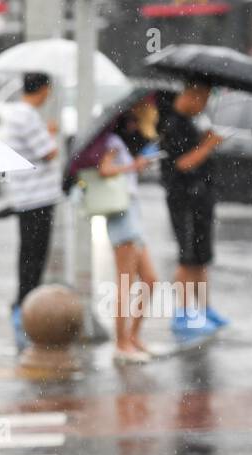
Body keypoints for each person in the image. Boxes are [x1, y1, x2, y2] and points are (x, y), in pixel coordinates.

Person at [158, 80, 227, 346]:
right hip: (183, 198)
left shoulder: (193, 120)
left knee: (201, 257)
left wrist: (207, 140)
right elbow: (182, 164)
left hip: (201, 197)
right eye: (202, 98)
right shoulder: (172, 123)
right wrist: (208, 146)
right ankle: (184, 311)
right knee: (187, 257)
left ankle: (204, 308)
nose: (205, 105)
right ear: (191, 95)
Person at [96, 100, 161, 364]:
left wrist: (136, 163)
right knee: (126, 284)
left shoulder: (122, 142)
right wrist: (132, 166)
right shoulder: (112, 140)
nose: (135, 124)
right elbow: (105, 169)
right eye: (132, 119)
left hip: (132, 214)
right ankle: (121, 343)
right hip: (122, 217)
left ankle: (133, 336)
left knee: (149, 281)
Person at [3, 72, 62, 351]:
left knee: (29, 254)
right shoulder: (26, 115)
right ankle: (25, 310)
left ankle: (23, 306)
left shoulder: (18, 113)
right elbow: (49, 152)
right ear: (43, 89)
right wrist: (51, 134)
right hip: (36, 198)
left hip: (28, 196)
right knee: (33, 256)